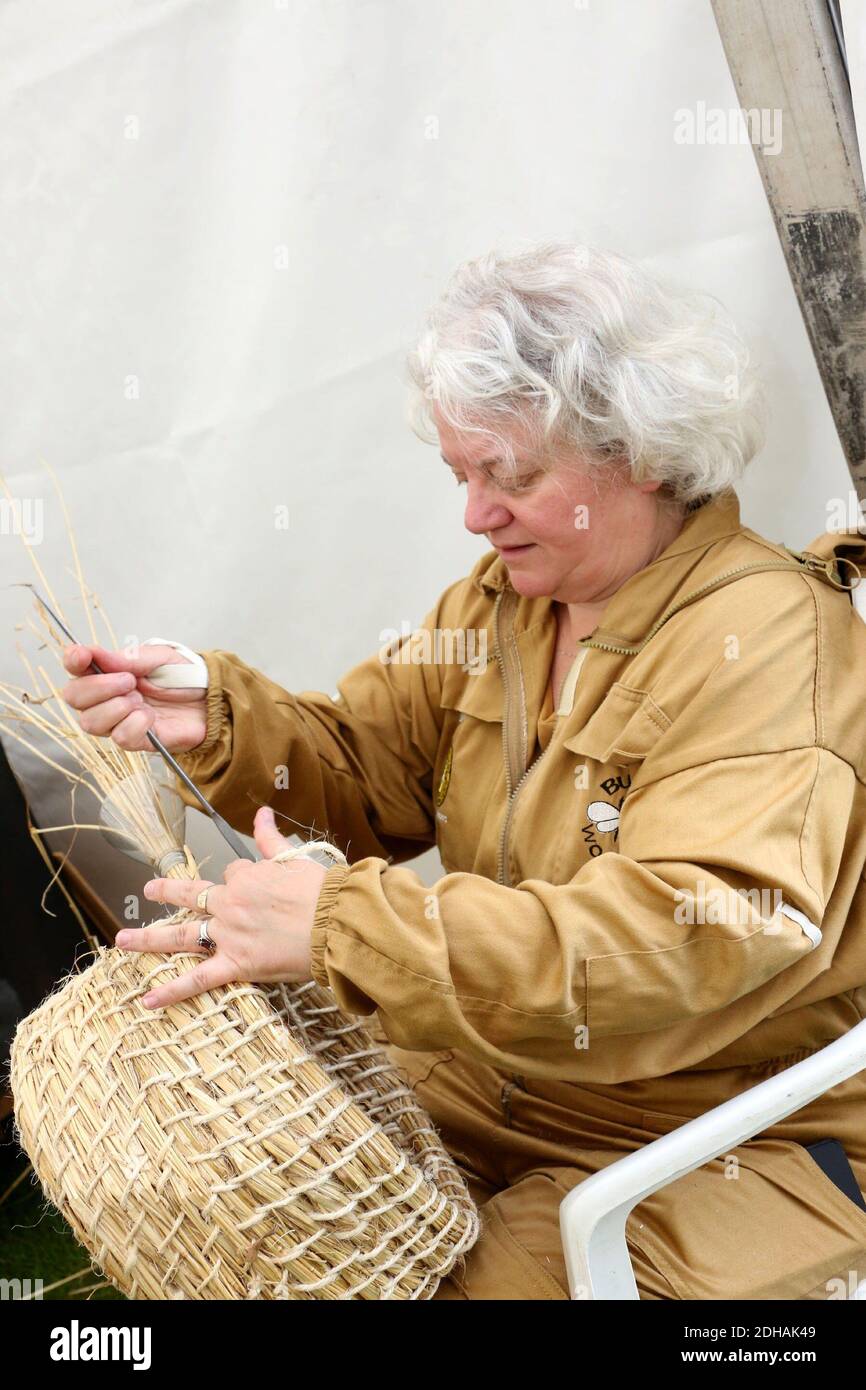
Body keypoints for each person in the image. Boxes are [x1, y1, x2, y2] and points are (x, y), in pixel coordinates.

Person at [61, 242, 866, 1300]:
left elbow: (688, 933)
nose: (474, 515)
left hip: (731, 1123)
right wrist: (216, 714)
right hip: (509, 1068)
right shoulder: (503, 605)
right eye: (461, 474)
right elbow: (369, 776)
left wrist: (343, 929)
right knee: (277, 1221)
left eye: (511, 476)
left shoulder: (770, 644)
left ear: (641, 450)